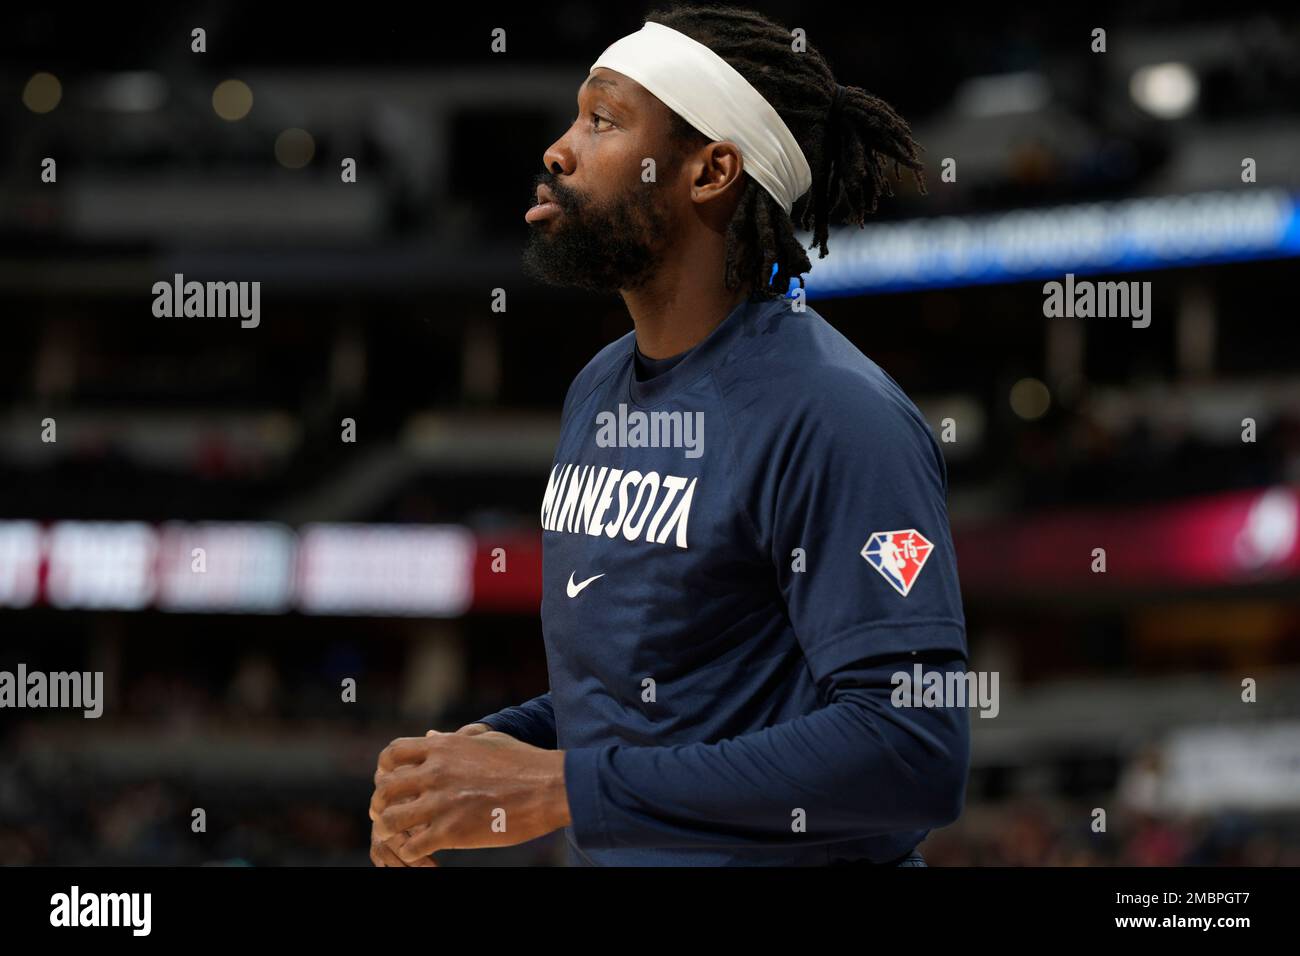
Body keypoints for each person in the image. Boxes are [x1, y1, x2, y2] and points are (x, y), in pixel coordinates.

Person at [370, 2, 970, 867]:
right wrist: (479, 755)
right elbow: (654, 698)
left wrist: (561, 788)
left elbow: (913, 751)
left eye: (603, 120)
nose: (558, 149)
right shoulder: (599, 387)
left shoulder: (836, 414)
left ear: (710, 171)